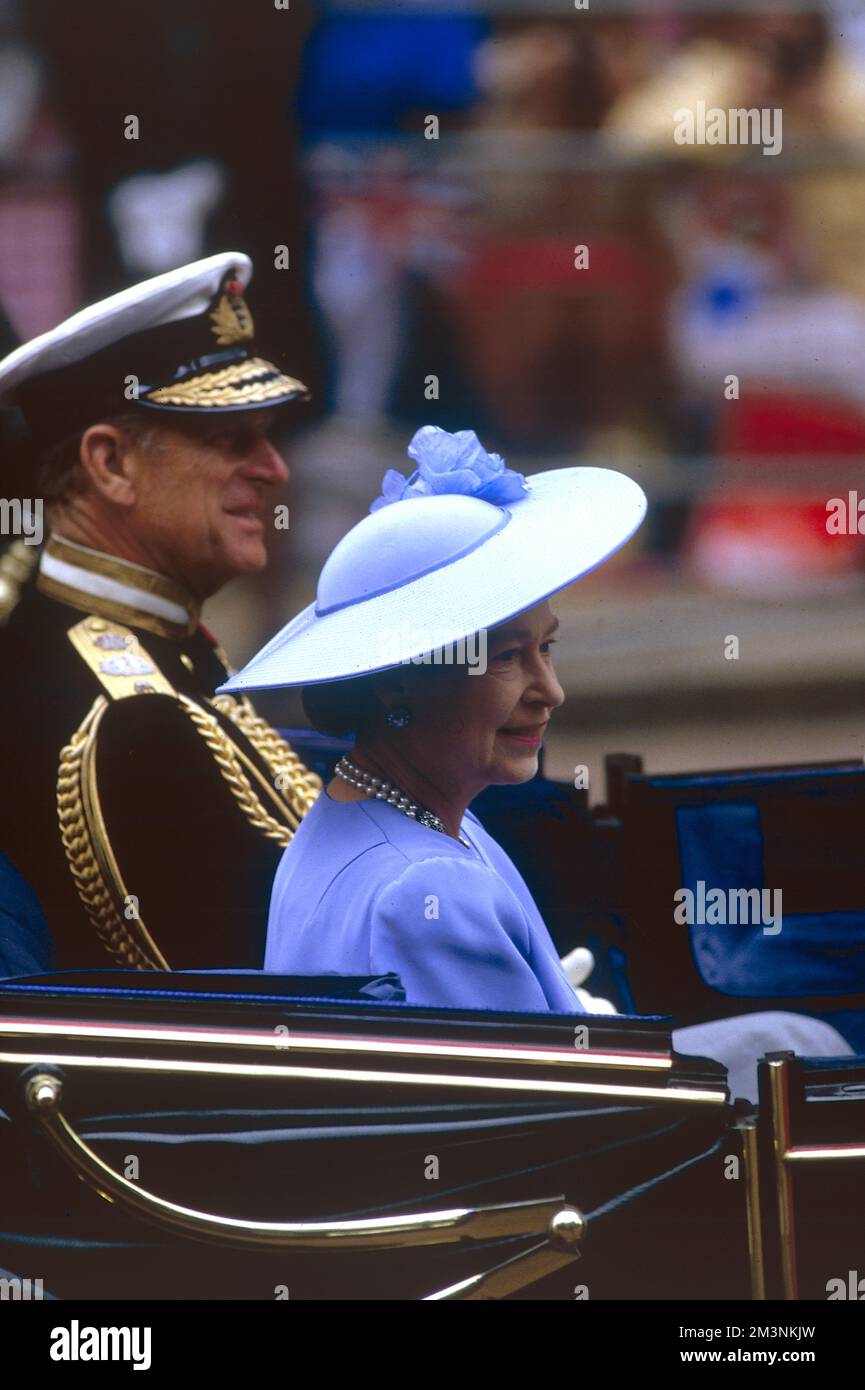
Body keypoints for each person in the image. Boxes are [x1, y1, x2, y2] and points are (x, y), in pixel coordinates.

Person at [220, 424, 853, 1101]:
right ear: (397, 686)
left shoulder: (390, 812)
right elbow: (534, 1133)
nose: (549, 692)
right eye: (505, 657)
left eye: (545, 649)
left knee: (794, 1039)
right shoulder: (428, 889)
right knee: (808, 1066)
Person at [0, 253, 321, 971]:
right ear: (110, 465)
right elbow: (239, 1019)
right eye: (232, 439)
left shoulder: (161, 641)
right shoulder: (119, 718)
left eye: (270, 437)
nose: (274, 469)